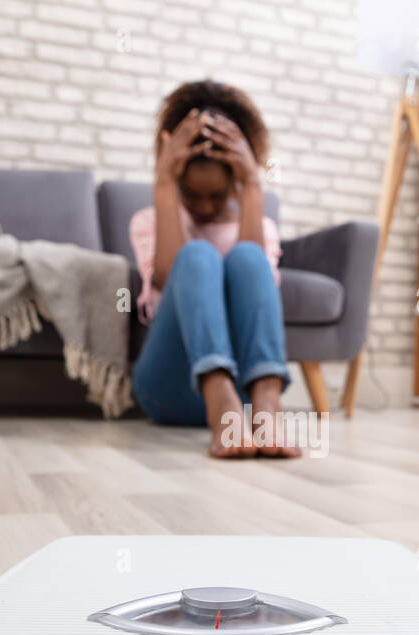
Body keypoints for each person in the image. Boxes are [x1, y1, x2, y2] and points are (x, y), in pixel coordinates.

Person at [129, 80, 299, 458]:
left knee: (249, 257)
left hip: (247, 398)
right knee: (198, 256)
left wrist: (254, 182)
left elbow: (260, 299)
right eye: (192, 195)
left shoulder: (261, 229)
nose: (205, 208)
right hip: (170, 388)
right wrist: (164, 182)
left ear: (235, 184)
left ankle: (267, 404)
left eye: (217, 195)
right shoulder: (149, 220)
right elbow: (167, 275)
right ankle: (219, 403)